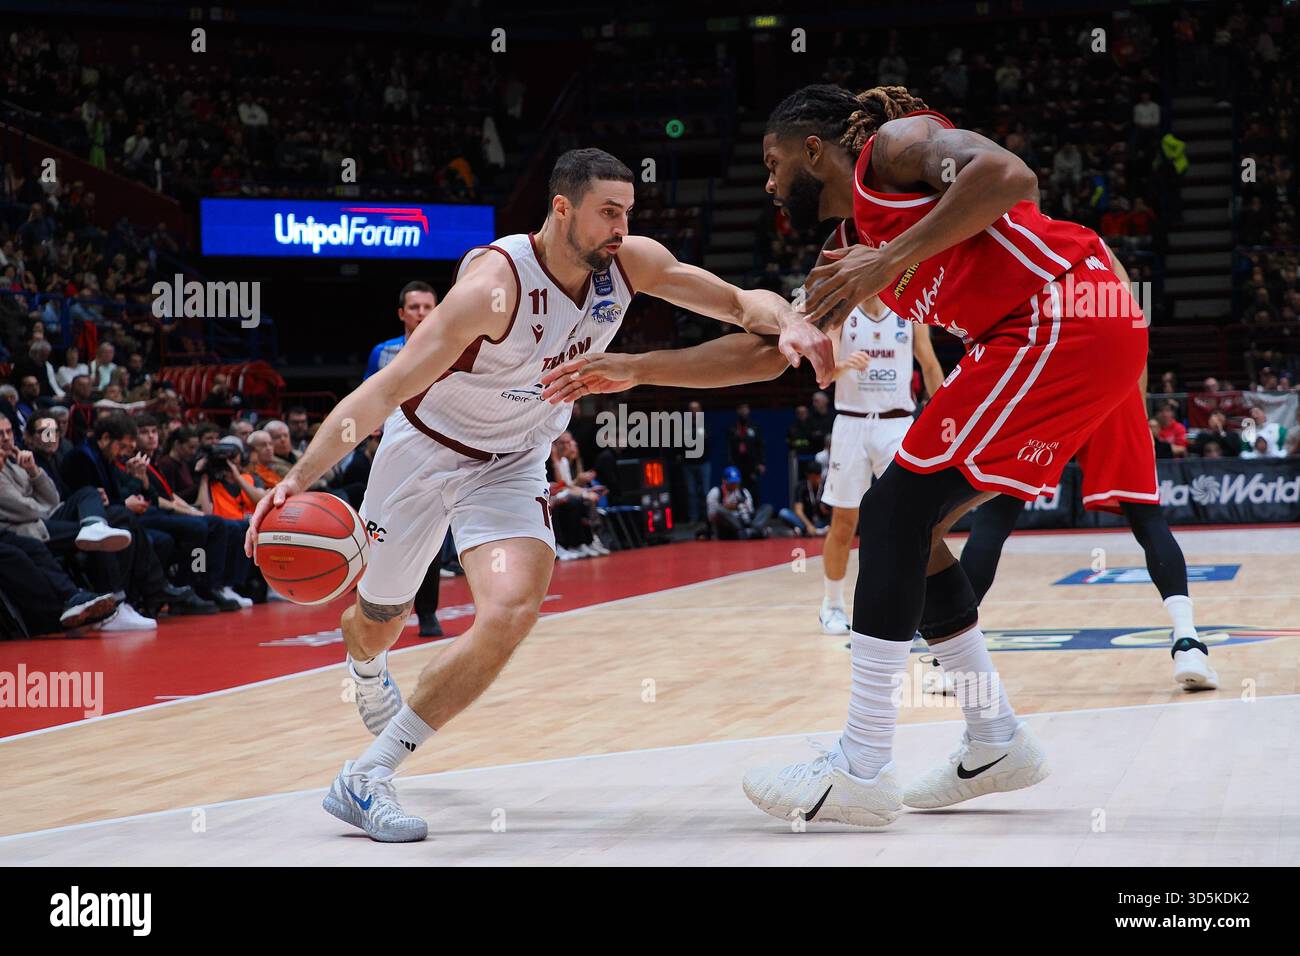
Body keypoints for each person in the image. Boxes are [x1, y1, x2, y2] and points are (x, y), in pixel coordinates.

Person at [244, 147, 829, 843]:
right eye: (608, 212)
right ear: (562, 208)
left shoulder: (629, 264)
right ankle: (367, 667)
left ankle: (366, 775)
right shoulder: (494, 286)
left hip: (512, 461)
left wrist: (787, 320)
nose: (621, 226)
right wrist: (296, 479)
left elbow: (737, 303)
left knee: (513, 607)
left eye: (627, 213)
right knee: (378, 618)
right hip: (424, 452)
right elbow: (388, 387)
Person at [730, 83, 1155, 826]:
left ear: (812, 151)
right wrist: (637, 371)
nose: (768, 183)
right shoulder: (844, 250)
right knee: (910, 525)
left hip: (1064, 314)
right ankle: (995, 738)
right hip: (1038, 338)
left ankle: (861, 765)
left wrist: (888, 256)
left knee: (893, 508)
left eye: (772, 163)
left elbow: (1010, 176)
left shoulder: (896, 150)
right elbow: (767, 346)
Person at [813, 242, 945, 634]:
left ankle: (915, 610)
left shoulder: (909, 311)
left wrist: (942, 417)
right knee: (844, 520)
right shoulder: (842, 312)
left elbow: (930, 363)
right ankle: (832, 605)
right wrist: (840, 367)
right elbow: (824, 373)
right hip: (852, 423)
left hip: (897, 424)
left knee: (911, 521)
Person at [363, 281, 444, 637]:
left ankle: (426, 612)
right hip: (390, 448)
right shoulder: (382, 353)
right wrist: (369, 435)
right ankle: (372, 606)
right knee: (377, 527)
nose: (422, 314)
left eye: (428, 307)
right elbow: (369, 397)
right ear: (401, 313)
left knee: (431, 531)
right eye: (415, 307)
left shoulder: (453, 346)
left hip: (436, 449)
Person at [707, 465, 772, 540]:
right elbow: (711, 515)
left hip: (744, 520)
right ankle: (750, 532)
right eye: (731, 482)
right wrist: (729, 507)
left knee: (768, 508)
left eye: (736, 482)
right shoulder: (716, 492)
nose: (734, 485)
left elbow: (750, 511)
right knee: (719, 511)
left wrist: (742, 507)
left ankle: (752, 531)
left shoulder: (743, 492)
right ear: (724, 481)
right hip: (729, 524)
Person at [779, 459, 832, 536]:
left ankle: (803, 531)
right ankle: (812, 531)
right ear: (809, 476)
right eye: (814, 477)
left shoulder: (825, 487)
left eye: (818, 476)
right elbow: (798, 510)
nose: (817, 479)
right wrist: (809, 525)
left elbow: (831, 510)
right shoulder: (801, 487)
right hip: (805, 521)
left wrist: (826, 509)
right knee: (784, 513)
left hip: (821, 522)